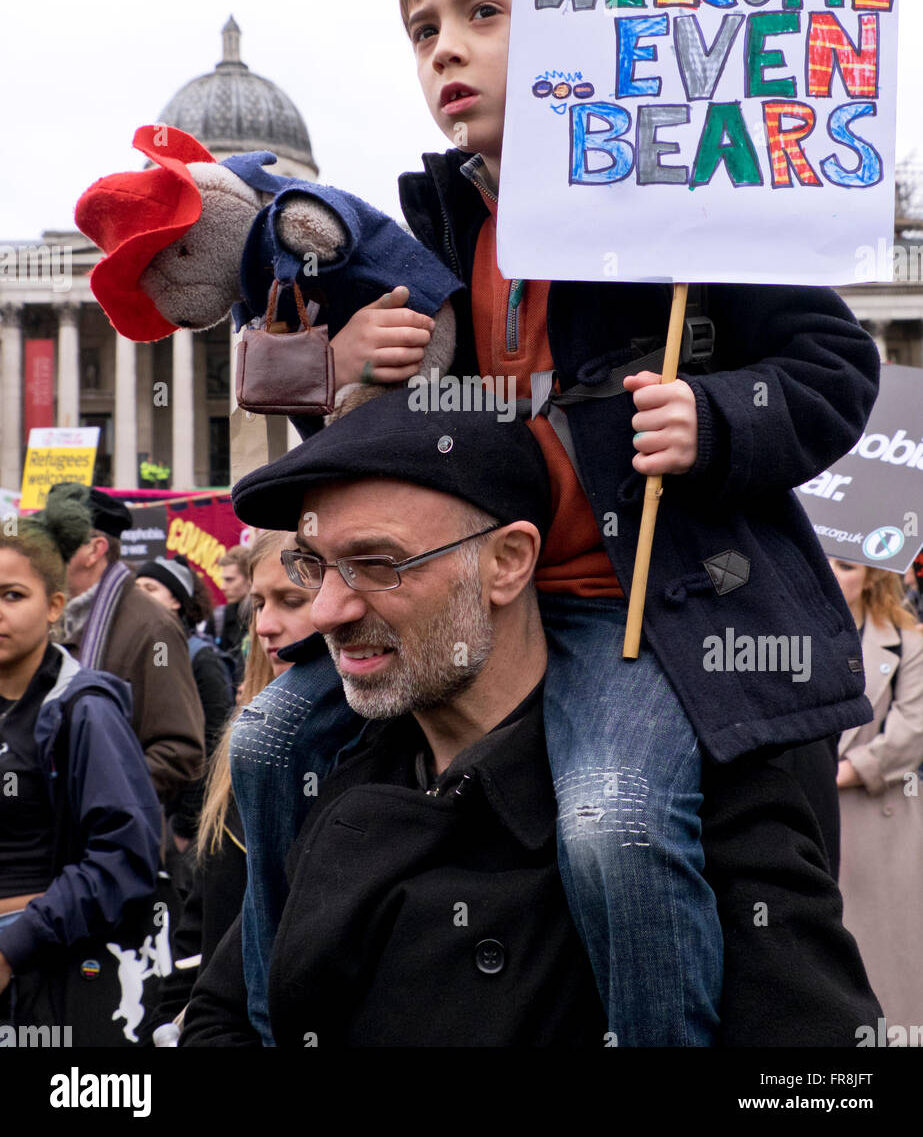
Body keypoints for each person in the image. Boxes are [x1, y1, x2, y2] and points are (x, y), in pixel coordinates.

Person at [228, 0, 881, 1047]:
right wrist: (350, 378)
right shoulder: (435, 236)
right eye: (421, 27)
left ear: (581, 42)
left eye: (484, 14)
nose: (444, 47)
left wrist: (715, 417)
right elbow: (419, 464)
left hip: (643, 617)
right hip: (484, 600)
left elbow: (836, 363)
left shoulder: (680, 200)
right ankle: (269, 1024)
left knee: (610, 821)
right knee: (270, 743)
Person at [185, 392, 877, 1047]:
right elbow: (225, 1020)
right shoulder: (318, 777)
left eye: (378, 564)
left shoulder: (694, 801)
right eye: (315, 566)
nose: (329, 610)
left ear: (507, 562)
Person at [0, 490, 163, 1045]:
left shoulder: (83, 710)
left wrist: (15, 943)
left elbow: (126, 857)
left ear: (53, 605)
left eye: (12, 595)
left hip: (47, 979)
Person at [149, 532, 314, 1034]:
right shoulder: (245, 740)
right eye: (257, 604)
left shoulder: (373, 755)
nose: (265, 625)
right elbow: (203, 914)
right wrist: (174, 1013)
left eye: (291, 600)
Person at [53, 482, 205, 803]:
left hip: (108, 837)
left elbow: (180, 751)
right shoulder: (47, 614)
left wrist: (95, 797)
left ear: (93, 550)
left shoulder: (155, 628)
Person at [830, 558, 923, 1034]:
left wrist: (843, 772)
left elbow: (912, 733)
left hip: (877, 817)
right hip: (807, 813)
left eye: (845, 566)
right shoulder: (786, 640)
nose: (830, 572)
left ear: (872, 576)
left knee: (888, 957)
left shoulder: (908, 639)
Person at [135, 555, 233, 853]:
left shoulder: (201, 659)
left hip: (181, 827)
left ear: (176, 600)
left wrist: (184, 827)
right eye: (135, 588)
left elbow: (213, 746)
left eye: (150, 588)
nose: (139, 596)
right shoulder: (143, 652)